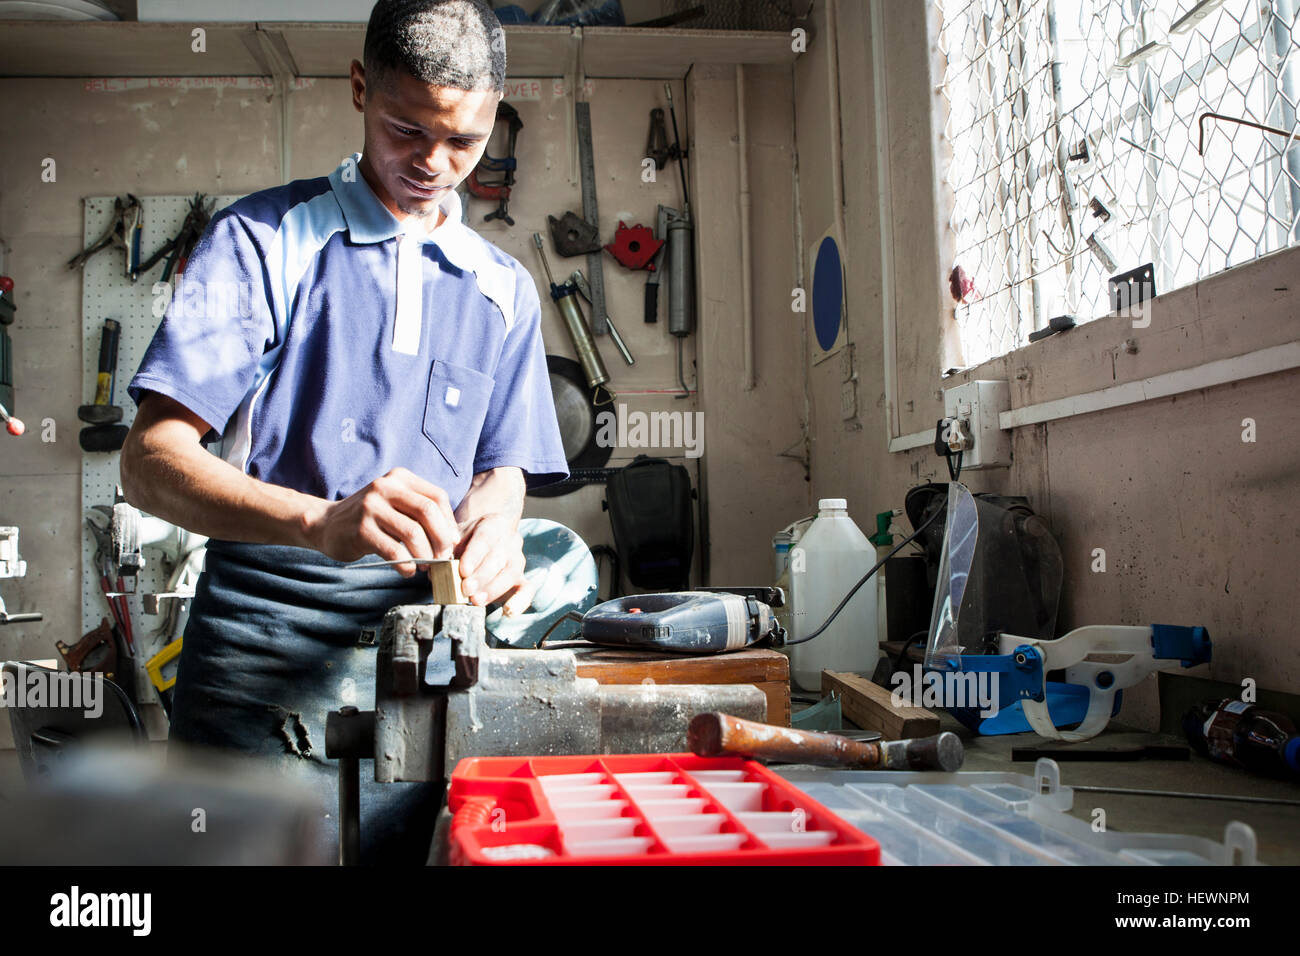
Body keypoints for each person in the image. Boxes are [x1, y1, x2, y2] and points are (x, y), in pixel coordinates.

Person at [119, 0, 568, 864]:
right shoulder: (259, 241)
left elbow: (502, 471)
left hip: (432, 676)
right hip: (257, 666)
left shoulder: (505, 289)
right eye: (407, 130)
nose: (435, 164)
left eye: (465, 142)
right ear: (359, 88)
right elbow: (148, 463)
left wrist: (499, 526)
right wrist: (317, 523)